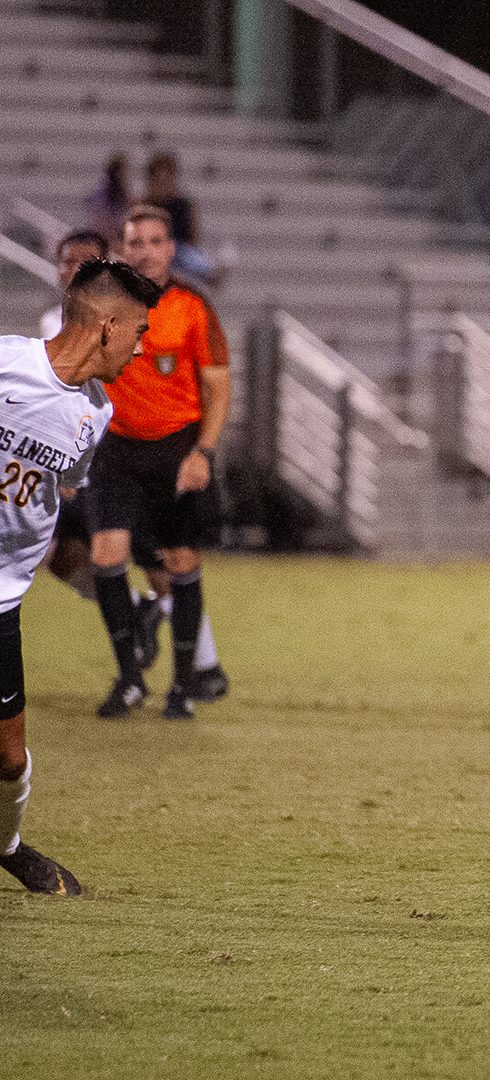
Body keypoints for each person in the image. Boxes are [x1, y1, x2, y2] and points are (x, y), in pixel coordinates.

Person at [3, 257, 164, 893]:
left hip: (3, 605)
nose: (142, 346)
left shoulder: (94, 415)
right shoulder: (7, 362)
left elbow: (53, 495)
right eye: (140, 331)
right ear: (105, 326)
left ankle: (7, 844)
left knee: (10, 760)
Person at [86, 204, 233, 718]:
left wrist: (204, 452)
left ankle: (183, 687)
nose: (144, 251)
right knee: (106, 558)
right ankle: (129, 680)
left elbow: (218, 387)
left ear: (171, 249)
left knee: (180, 564)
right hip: (119, 447)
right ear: (122, 249)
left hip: (177, 449)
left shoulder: (193, 306)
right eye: (135, 242)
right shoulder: (103, 302)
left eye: (154, 242)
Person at [143, 153, 219, 288]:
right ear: (151, 182)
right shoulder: (142, 207)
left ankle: (207, 272)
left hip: (179, 256)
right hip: (152, 253)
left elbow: (193, 241)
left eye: (167, 181)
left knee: (188, 254)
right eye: (159, 182)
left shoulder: (183, 206)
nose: (163, 187)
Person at [84, 155, 130, 243]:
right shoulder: (98, 197)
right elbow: (100, 225)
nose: (125, 176)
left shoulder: (125, 195)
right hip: (101, 240)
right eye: (122, 172)